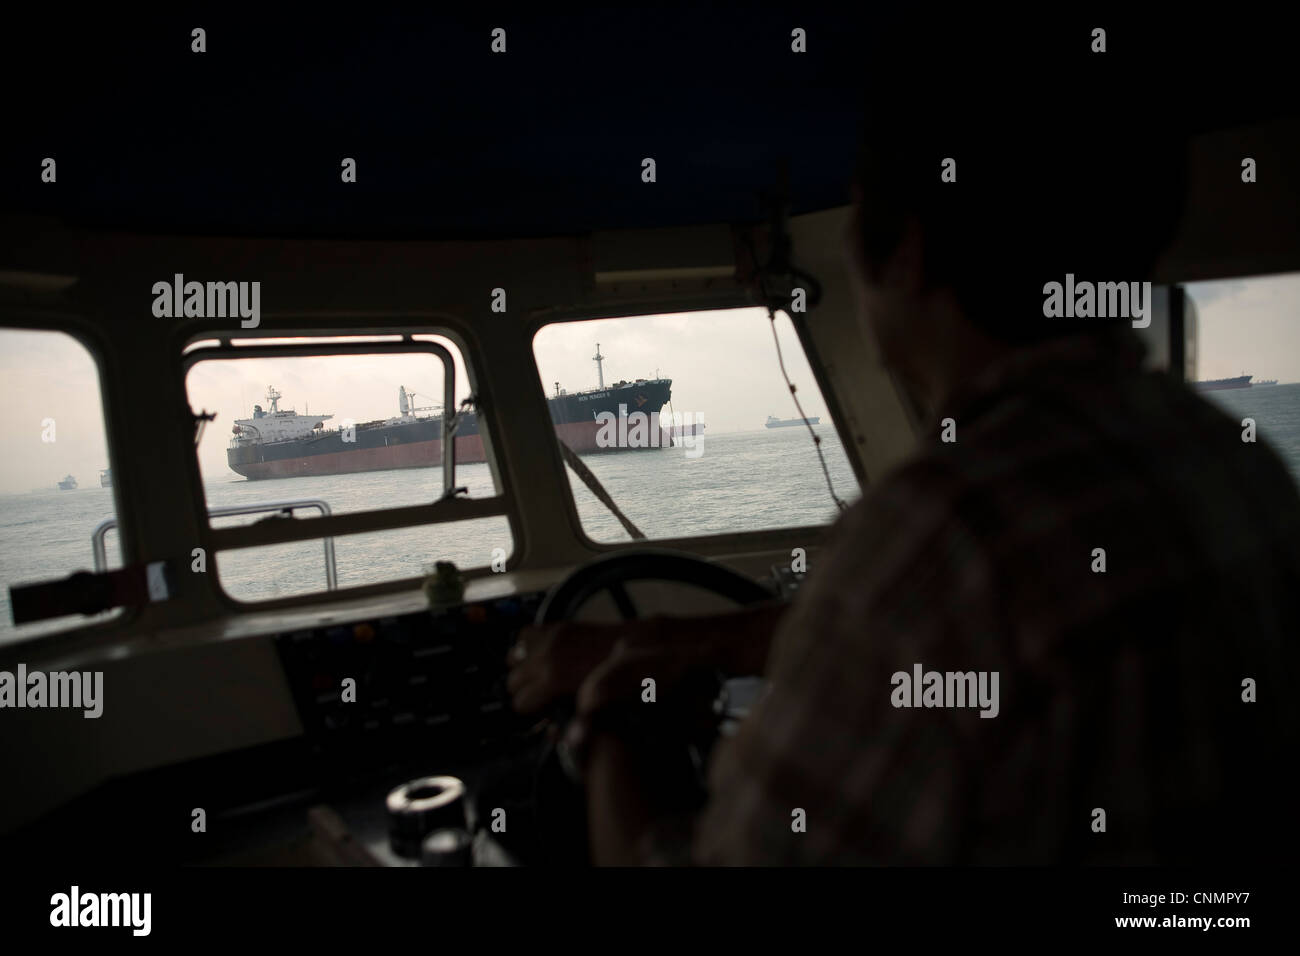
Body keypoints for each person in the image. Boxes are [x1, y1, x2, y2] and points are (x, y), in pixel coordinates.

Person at [507, 36, 1300, 866]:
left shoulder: (936, 535)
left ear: (906, 255)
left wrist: (607, 727)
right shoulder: (1239, 466)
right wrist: (688, 642)